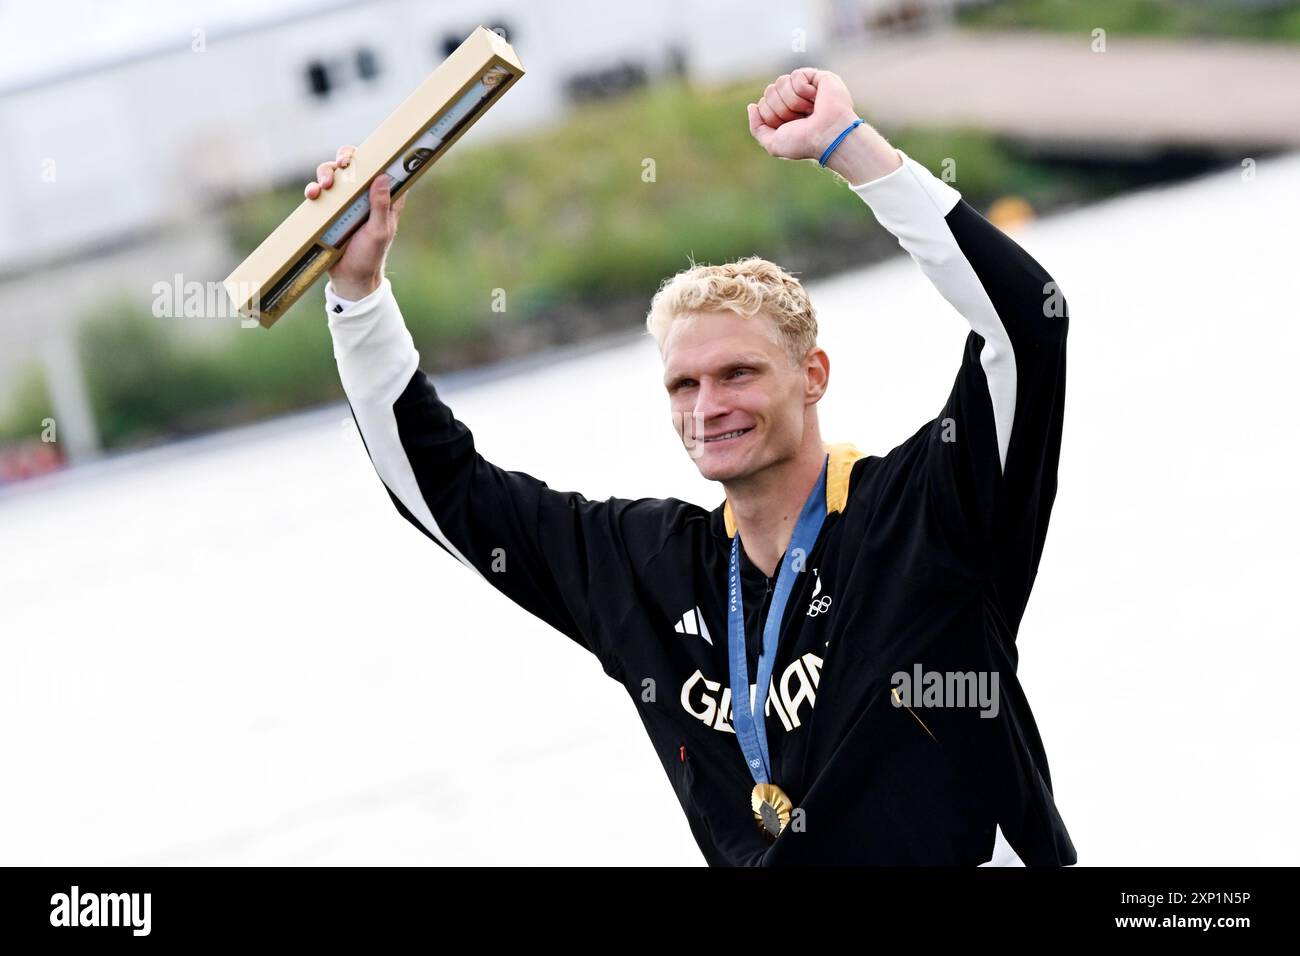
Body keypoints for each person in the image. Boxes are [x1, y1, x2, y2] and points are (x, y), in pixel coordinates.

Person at [308, 67, 1074, 866]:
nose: (708, 406)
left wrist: (851, 150)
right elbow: (445, 495)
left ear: (812, 376)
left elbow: (1028, 322)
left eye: (738, 374)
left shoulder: (930, 508)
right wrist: (359, 294)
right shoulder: (648, 569)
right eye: (684, 383)